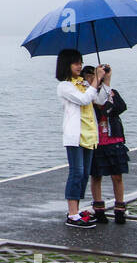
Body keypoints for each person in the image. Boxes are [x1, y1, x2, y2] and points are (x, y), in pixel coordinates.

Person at [55, 49, 109, 228]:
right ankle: (72, 214)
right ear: (66, 65)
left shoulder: (84, 83)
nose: (80, 66)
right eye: (76, 63)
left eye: (80, 62)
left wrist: (104, 80)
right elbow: (84, 100)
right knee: (76, 172)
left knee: (85, 173)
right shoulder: (65, 86)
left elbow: (100, 100)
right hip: (75, 135)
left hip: (89, 134)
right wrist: (95, 80)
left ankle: (76, 211)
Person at [90, 64, 129, 224]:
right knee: (96, 175)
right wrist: (101, 83)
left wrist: (108, 86)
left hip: (114, 138)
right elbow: (100, 107)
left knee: (117, 175)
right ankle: (98, 208)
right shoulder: (89, 94)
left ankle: (120, 208)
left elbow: (120, 108)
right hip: (96, 139)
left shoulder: (112, 92)